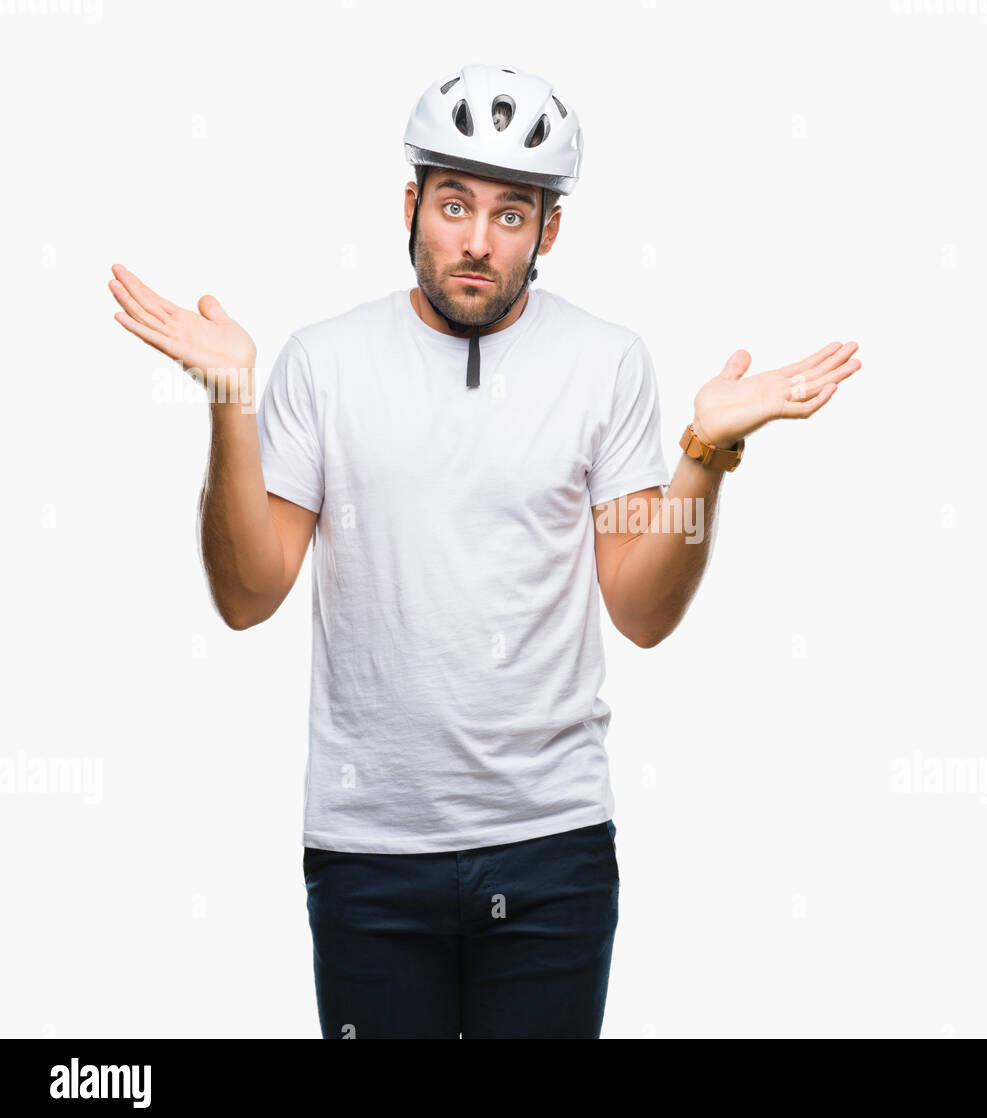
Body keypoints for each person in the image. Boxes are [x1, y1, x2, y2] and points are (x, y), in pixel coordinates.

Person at [108, 62, 860, 1038]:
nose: (474, 239)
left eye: (511, 215)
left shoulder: (606, 362)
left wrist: (707, 452)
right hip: (368, 849)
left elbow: (639, 605)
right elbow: (249, 594)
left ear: (547, 232)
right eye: (453, 202)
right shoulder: (322, 362)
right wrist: (228, 403)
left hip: (551, 847)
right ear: (410, 203)